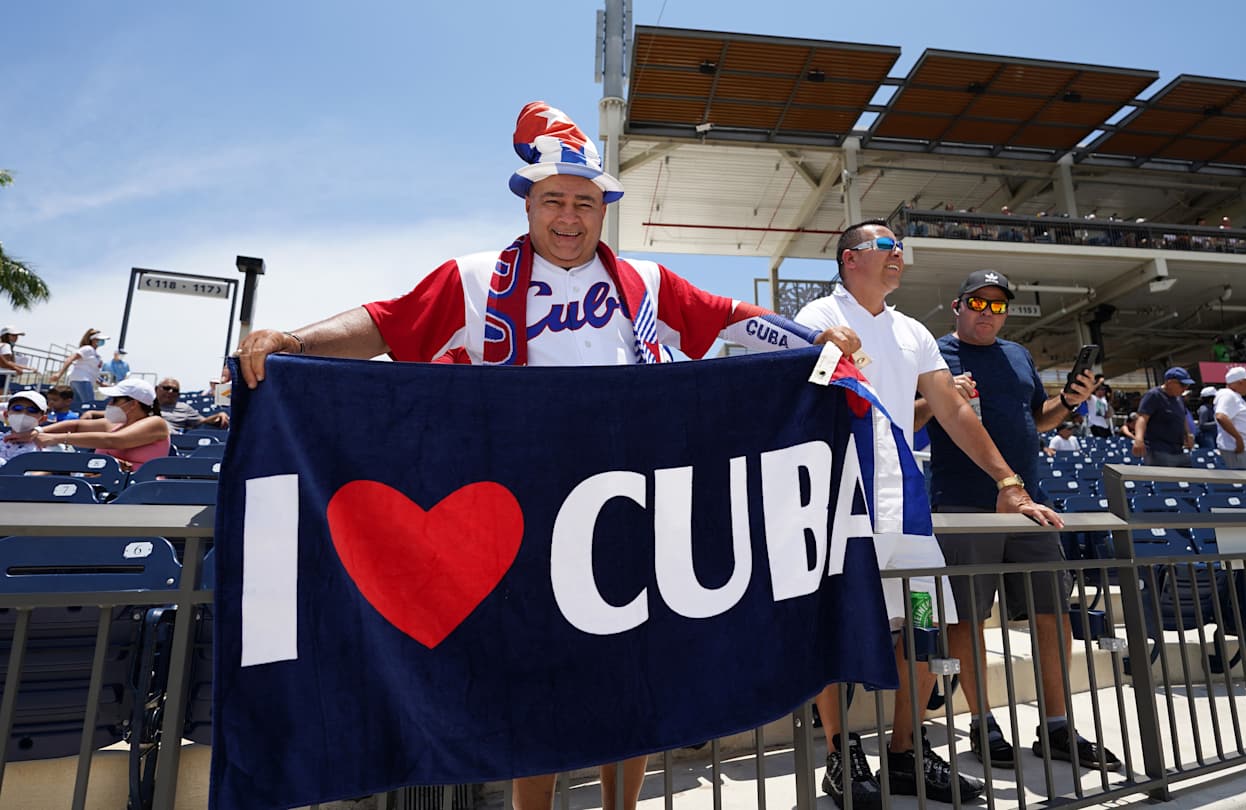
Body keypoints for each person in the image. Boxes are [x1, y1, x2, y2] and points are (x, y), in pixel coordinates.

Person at [229, 101, 861, 810]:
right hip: (527, 505)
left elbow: (732, 320)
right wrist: (297, 343)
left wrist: (811, 344)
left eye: (584, 203)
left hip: (628, 504)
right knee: (542, 676)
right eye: (553, 199)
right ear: (527, 203)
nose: (569, 216)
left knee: (635, 671)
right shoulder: (472, 277)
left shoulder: (646, 284)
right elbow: (384, 323)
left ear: (603, 210)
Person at [797, 234, 1058, 808]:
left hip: (907, 512)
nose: (898, 255)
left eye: (900, 247)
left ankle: (906, 751)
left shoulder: (912, 331)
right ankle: (842, 755)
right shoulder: (819, 313)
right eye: (885, 244)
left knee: (924, 626)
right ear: (850, 259)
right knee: (838, 629)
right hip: (842, 503)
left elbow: (953, 409)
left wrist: (1008, 483)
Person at [920, 268, 1118, 774]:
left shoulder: (1018, 355)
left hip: (1031, 502)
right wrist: (938, 398)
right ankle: (982, 722)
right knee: (968, 616)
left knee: (1052, 612)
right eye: (978, 303)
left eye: (998, 306)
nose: (988, 314)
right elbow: (908, 416)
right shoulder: (931, 352)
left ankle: (1056, 726)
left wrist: (1070, 401)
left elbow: (1039, 418)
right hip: (965, 503)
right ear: (958, 306)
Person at [12, 378, 170, 472]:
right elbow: (76, 425)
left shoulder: (156, 423)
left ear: (133, 404)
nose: (110, 403)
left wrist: (55, 439)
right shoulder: (115, 424)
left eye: (115, 400)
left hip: (137, 492)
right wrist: (36, 432)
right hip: (101, 487)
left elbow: (113, 441)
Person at [1133, 368, 1195, 466]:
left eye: (1187, 385)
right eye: (1182, 385)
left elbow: (1182, 417)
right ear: (1169, 382)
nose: (1185, 388)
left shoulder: (1178, 398)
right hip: (1159, 451)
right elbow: (1142, 418)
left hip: (1179, 450)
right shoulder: (1154, 395)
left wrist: (1188, 434)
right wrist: (1139, 439)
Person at [1213, 367, 1246, 472]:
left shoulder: (1235, 396)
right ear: (1239, 383)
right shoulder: (1227, 394)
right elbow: (1221, 416)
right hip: (1239, 449)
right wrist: (1238, 438)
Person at [54, 328, 108, 404]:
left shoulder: (93, 353)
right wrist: (59, 374)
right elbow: (70, 359)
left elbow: (90, 370)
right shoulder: (87, 349)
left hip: (80, 380)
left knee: (77, 406)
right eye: (99, 339)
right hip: (83, 381)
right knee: (88, 405)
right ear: (93, 340)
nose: (102, 342)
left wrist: (100, 383)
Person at [156, 377, 230, 431]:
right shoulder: (146, 405)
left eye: (175, 390)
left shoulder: (184, 408)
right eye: (166, 388)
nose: (170, 392)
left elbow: (203, 421)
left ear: (178, 395)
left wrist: (219, 414)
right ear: (156, 389)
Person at [0, 391, 49, 465]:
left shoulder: (46, 445)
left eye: (32, 410)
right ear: (6, 415)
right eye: (17, 408)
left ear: (42, 419)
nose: (23, 413)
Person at [0, 325, 37, 395]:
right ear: (6, 336)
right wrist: (25, 368)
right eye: (13, 335)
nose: (16, 338)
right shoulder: (6, 346)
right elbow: (6, 363)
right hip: (2, 376)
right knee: (4, 398)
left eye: (17, 336)